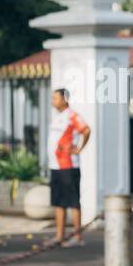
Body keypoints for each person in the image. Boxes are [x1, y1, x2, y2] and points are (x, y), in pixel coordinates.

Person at [47, 87, 91, 246]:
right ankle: (60, 236)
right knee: (59, 201)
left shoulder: (72, 116)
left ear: (64, 99)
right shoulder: (58, 117)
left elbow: (86, 130)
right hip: (55, 166)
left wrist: (79, 148)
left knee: (73, 201)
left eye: (55, 98)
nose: (53, 101)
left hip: (69, 165)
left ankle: (78, 237)